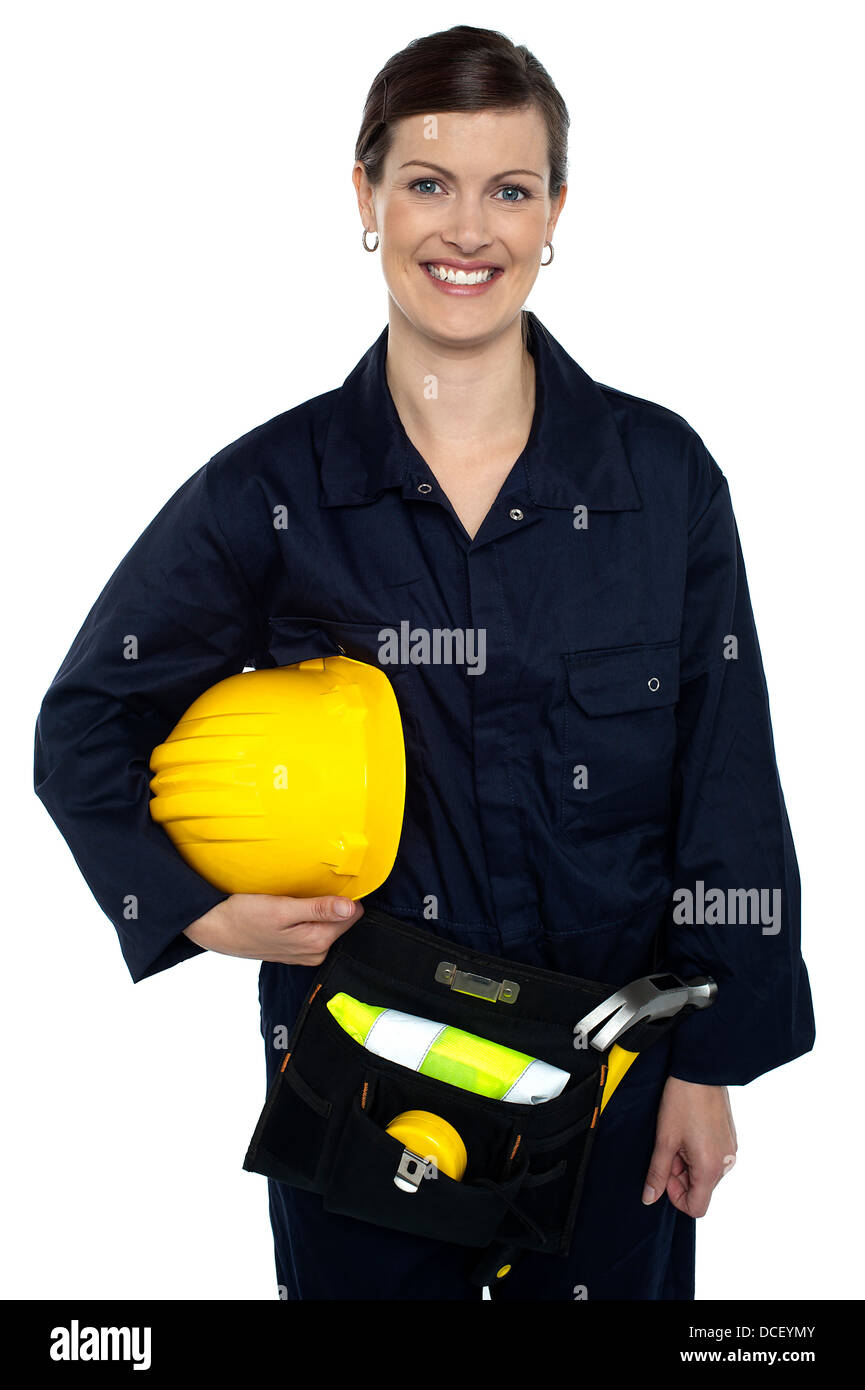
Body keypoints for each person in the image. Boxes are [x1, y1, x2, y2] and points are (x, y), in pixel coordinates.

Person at [33, 24, 815, 1301]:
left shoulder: (660, 481)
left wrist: (710, 1061)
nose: (469, 231)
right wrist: (191, 908)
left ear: (557, 209)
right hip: (359, 1093)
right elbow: (86, 722)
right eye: (427, 184)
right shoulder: (272, 494)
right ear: (365, 198)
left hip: (611, 1096)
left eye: (511, 188)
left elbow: (727, 778)